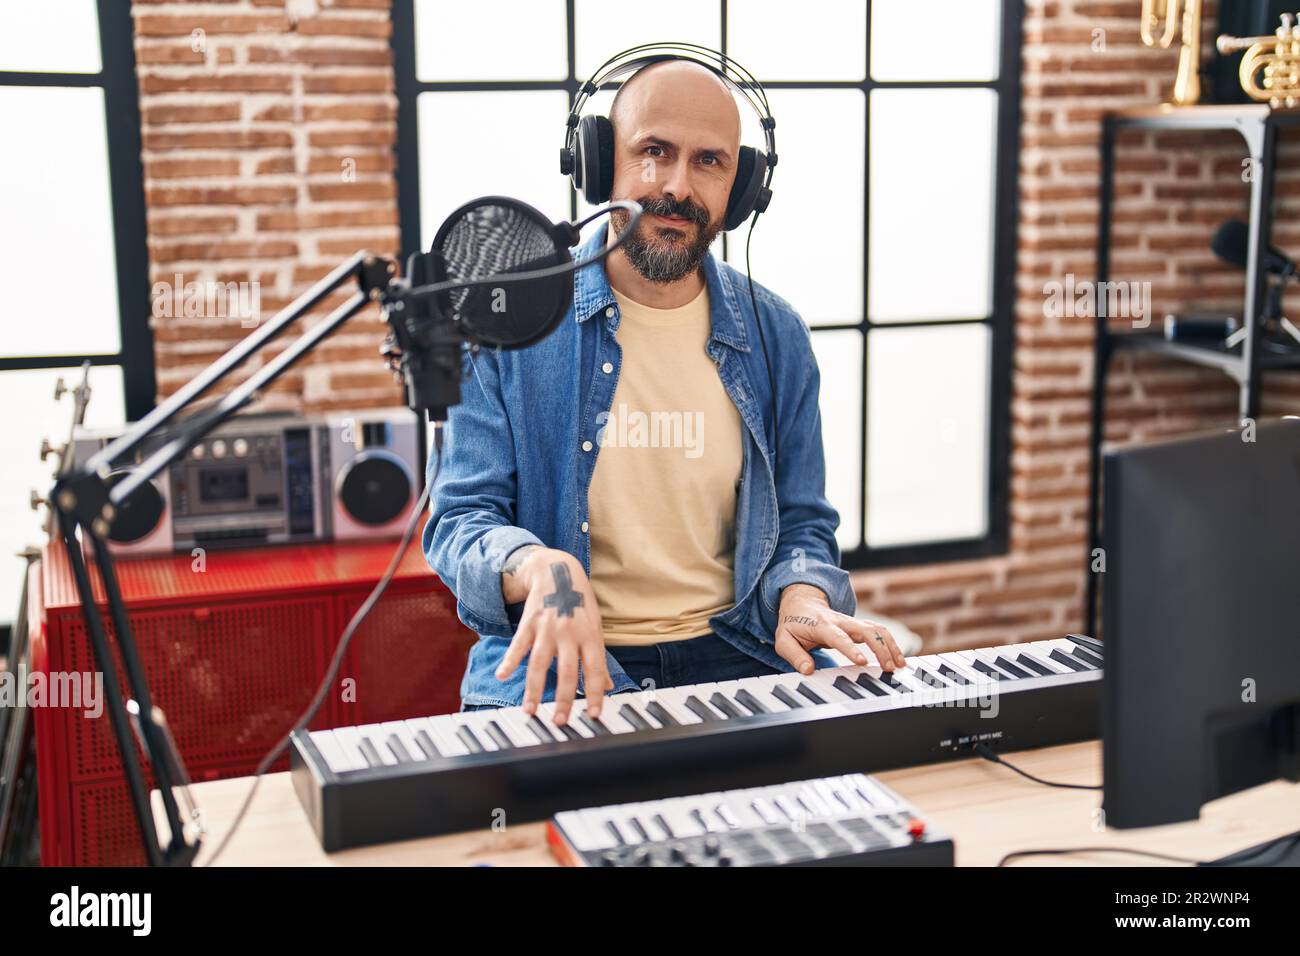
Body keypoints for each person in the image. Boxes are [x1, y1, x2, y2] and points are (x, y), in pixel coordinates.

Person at [424, 57, 905, 728]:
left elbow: (801, 523)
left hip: (741, 659)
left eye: (709, 161)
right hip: (571, 668)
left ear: (742, 190)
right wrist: (537, 567)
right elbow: (459, 520)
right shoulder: (507, 318)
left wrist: (804, 596)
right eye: (654, 152)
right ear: (599, 163)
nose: (677, 186)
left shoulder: (777, 334)